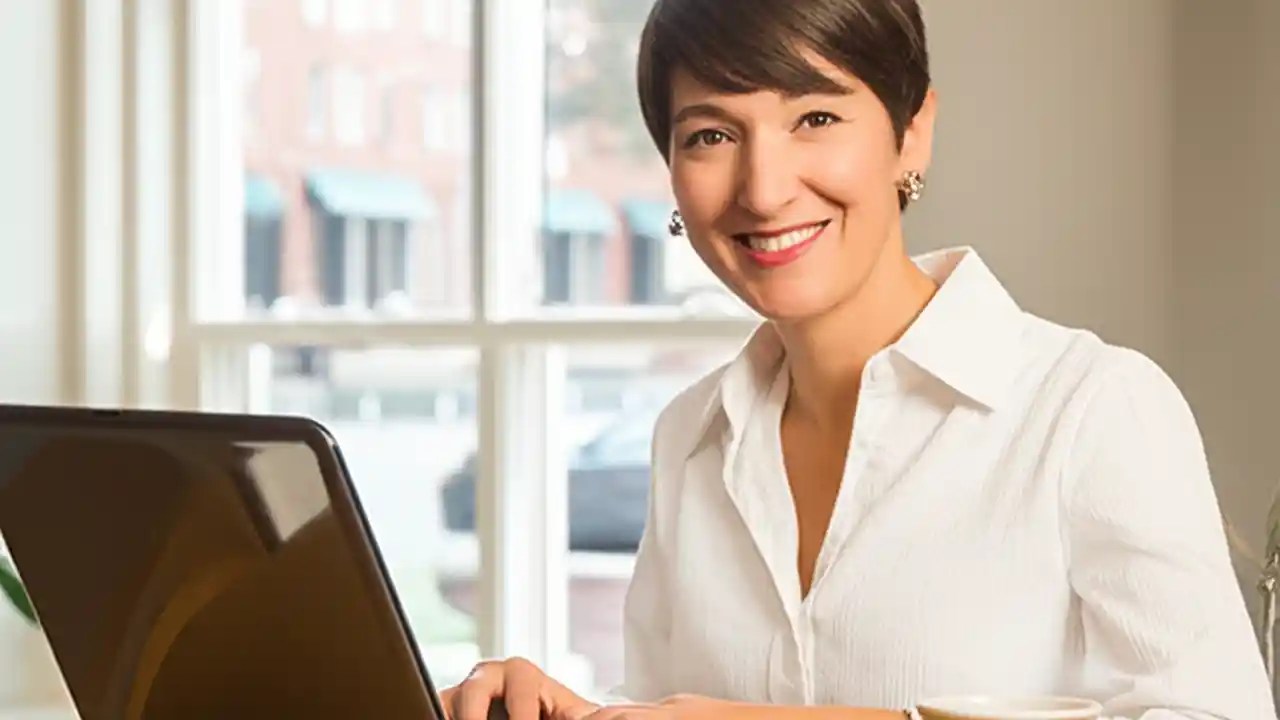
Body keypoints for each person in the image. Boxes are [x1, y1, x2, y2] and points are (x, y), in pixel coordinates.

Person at [443, 1, 1275, 718]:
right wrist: (576, 712)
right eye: (711, 134)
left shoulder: (1090, 409)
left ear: (912, 134)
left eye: (815, 118)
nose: (764, 189)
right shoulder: (689, 437)